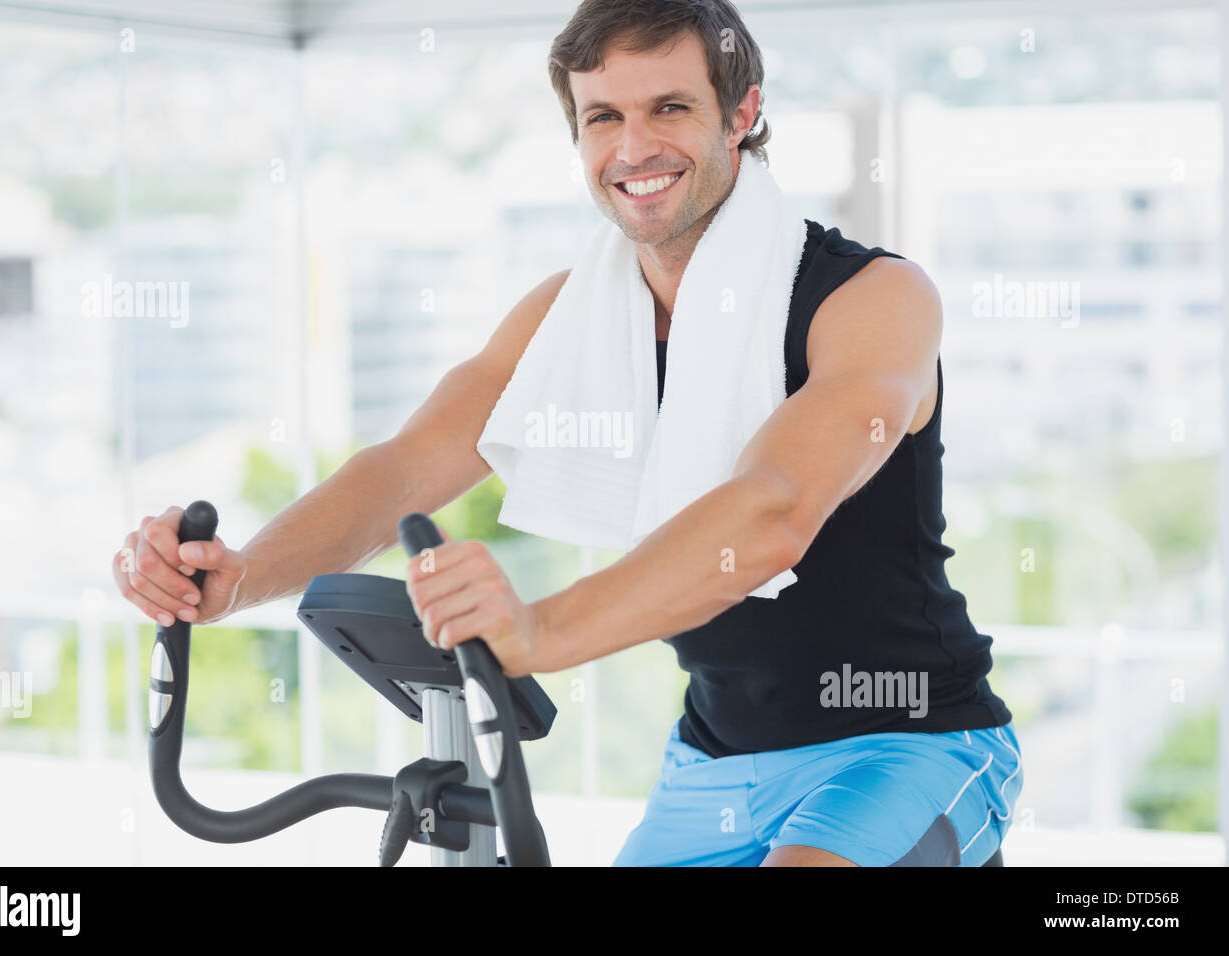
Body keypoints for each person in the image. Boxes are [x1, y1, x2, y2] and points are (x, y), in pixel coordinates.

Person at [112, 0, 1022, 867]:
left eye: (670, 108)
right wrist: (238, 579)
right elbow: (406, 468)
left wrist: (537, 631)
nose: (634, 149)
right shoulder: (575, 318)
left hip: (911, 742)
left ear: (742, 114)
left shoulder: (872, 300)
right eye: (603, 118)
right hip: (714, 761)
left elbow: (772, 512)